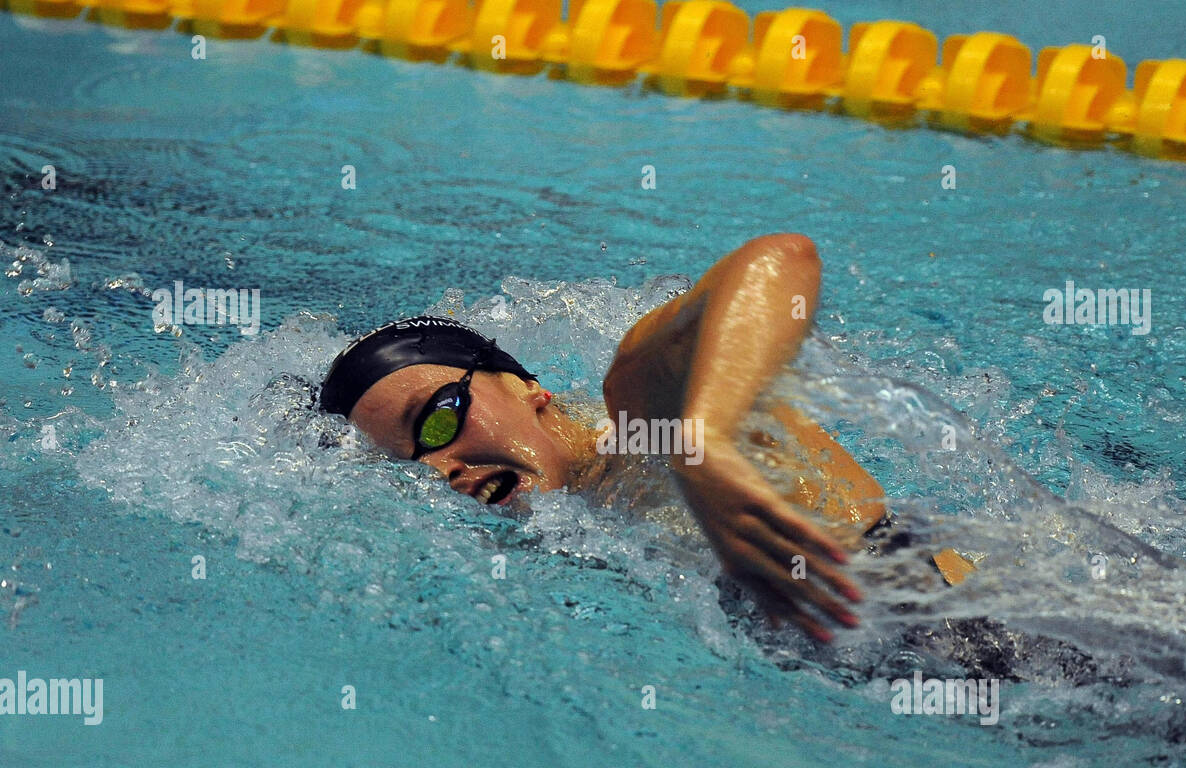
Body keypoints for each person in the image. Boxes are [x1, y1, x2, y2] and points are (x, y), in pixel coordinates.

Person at [320, 233, 971, 643]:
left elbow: (781, 259)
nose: (441, 470)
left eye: (438, 418)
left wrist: (706, 436)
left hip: (989, 644)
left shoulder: (642, 416)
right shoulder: (564, 530)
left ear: (526, 387)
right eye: (409, 465)